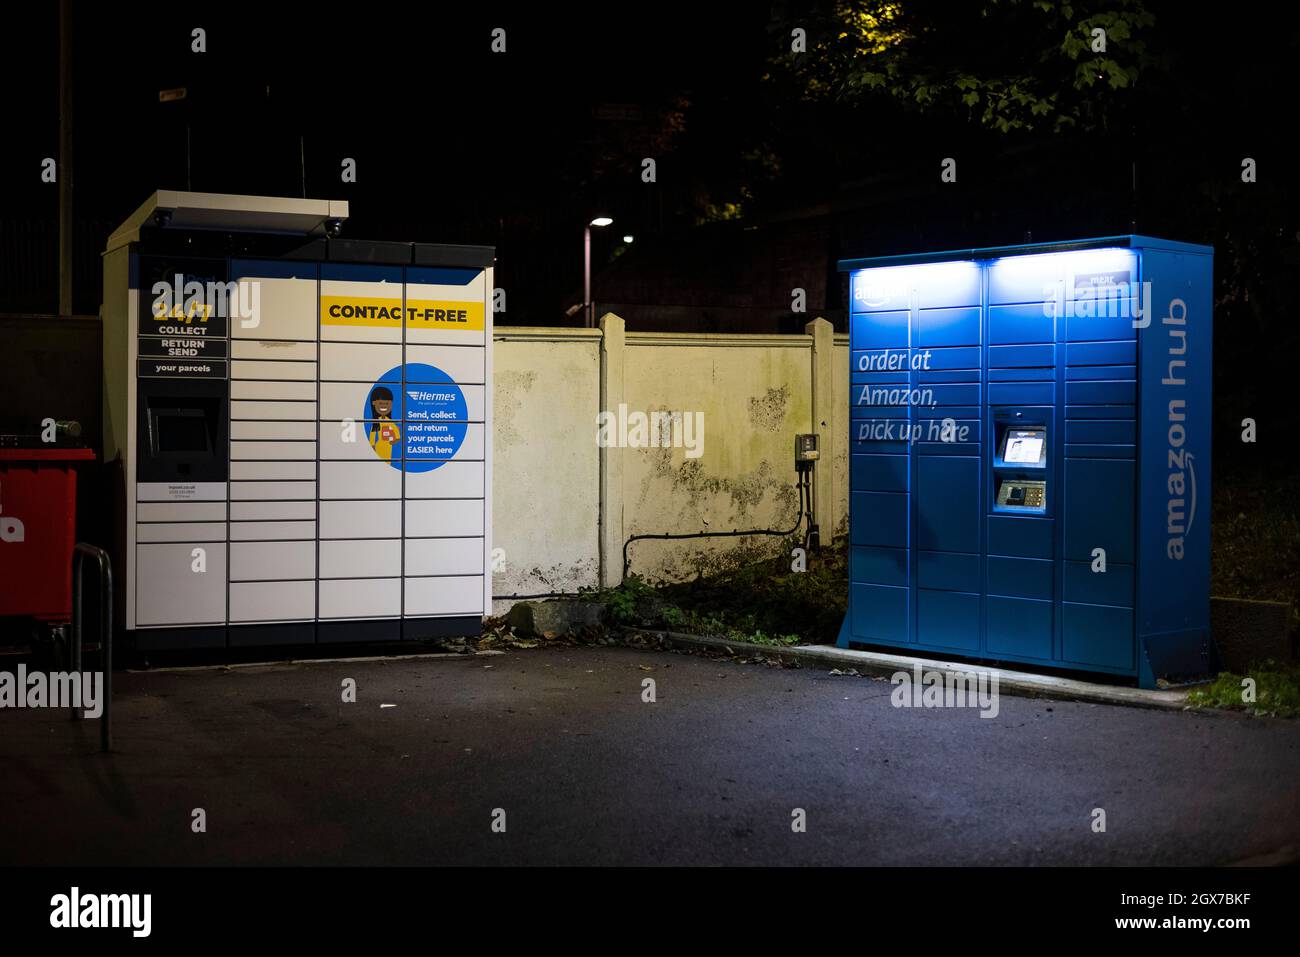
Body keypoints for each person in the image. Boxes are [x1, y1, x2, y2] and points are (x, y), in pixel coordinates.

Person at [367, 386, 401, 462]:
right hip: (379, 447)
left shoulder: (390, 422)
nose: (384, 406)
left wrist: (393, 441)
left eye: (387, 403)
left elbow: (397, 436)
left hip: (388, 447)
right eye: (381, 403)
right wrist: (372, 447)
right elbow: (372, 437)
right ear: (374, 403)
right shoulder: (376, 422)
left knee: (387, 462)